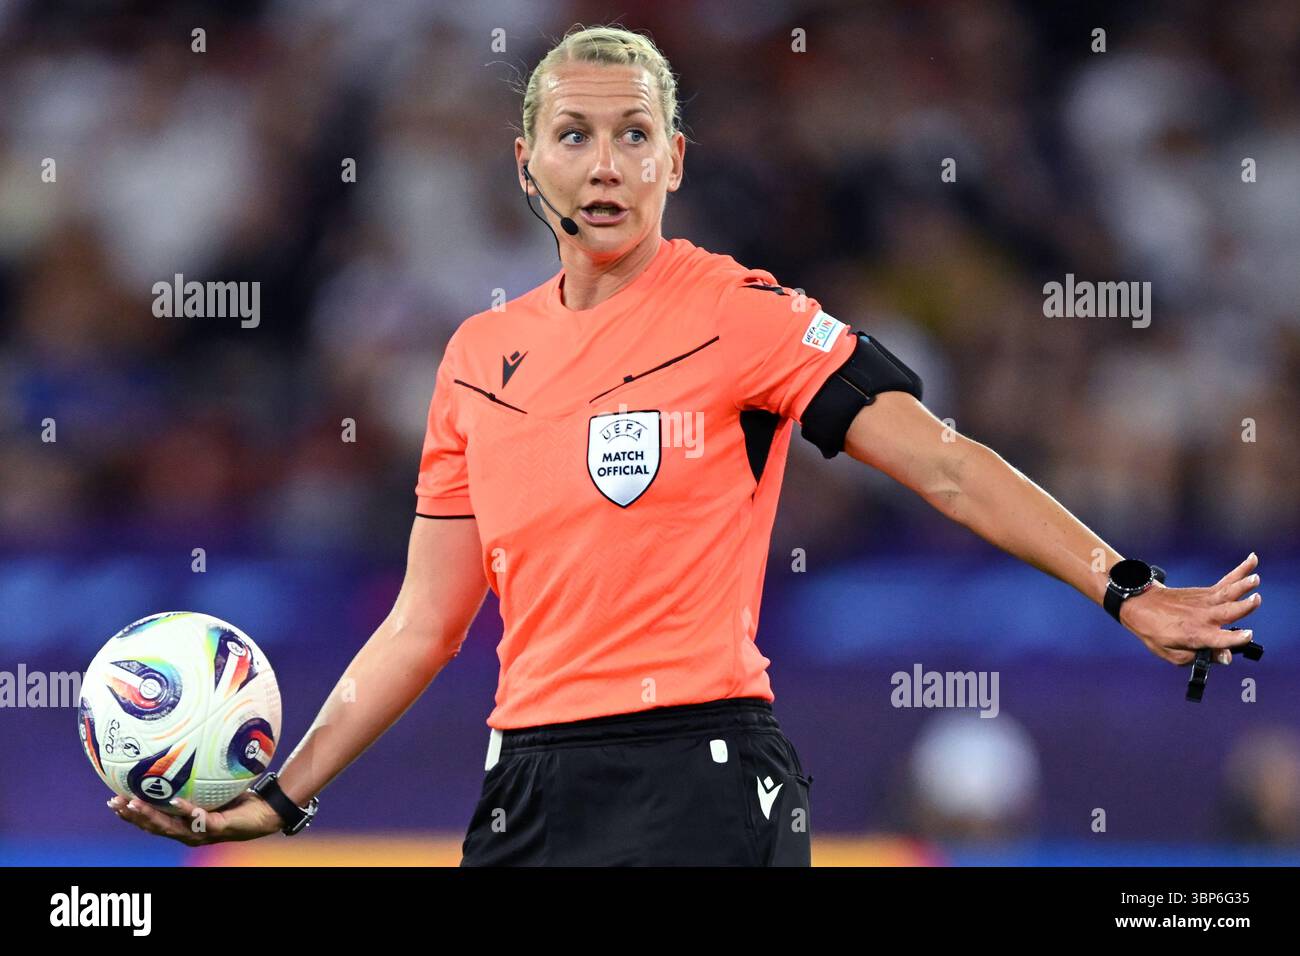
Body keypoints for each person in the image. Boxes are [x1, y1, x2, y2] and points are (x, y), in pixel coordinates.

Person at [111, 24, 1263, 865]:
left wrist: (1125, 587)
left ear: (674, 159)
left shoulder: (742, 314)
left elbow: (948, 463)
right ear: (528, 165)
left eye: (633, 135)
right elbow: (424, 624)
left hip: (701, 779)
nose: (604, 163)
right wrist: (286, 797)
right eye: (573, 135)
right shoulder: (474, 358)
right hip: (527, 790)